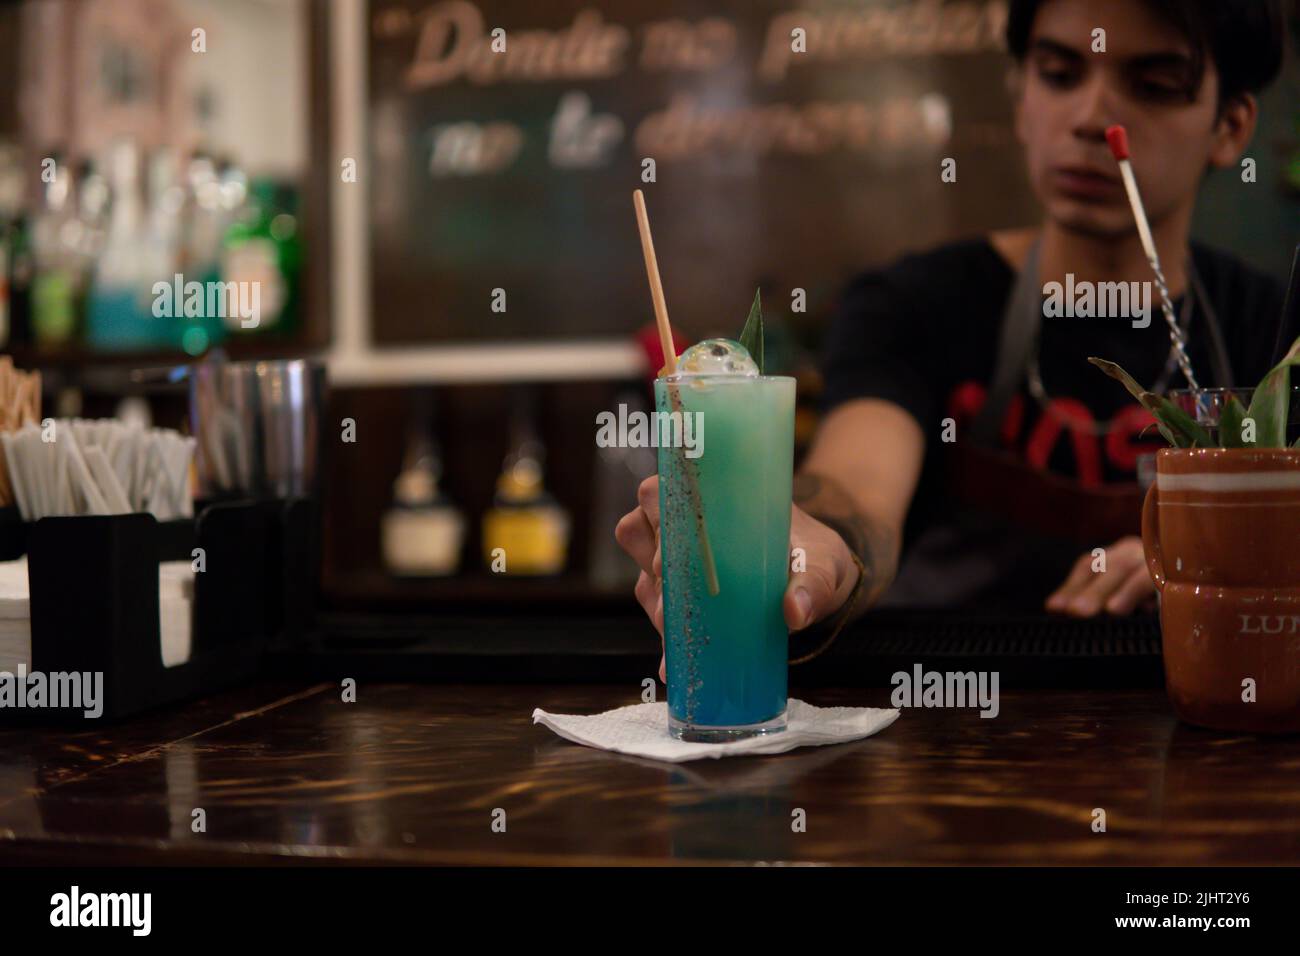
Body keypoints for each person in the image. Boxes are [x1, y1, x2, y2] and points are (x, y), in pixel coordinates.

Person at [616, 0, 1292, 681]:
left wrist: (1226, 564)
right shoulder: (915, 304)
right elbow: (855, 489)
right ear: (1022, 99)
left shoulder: (1277, 330)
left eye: (1152, 86)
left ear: (1229, 127)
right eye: (1059, 74)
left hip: (1208, 720)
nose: (1091, 119)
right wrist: (811, 544)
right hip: (946, 732)